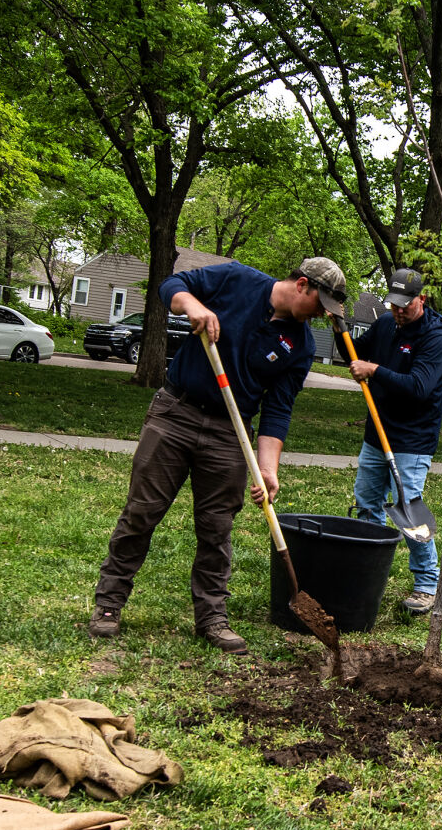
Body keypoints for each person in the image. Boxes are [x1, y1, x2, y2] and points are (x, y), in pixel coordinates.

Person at [89, 257, 347, 653]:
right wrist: (193, 305)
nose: (319, 315)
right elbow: (170, 285)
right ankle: (109, 603)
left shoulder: (301, 345)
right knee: (142, 512)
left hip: (231, 431)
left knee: (217, 529)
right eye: (319, 304)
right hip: (176, 412)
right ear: (302, 285)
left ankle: (211, 617)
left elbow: (278, 410)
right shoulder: (235, 279)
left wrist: (267, 468)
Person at [347, 267, 442, 616]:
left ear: (422, 298)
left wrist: (374, 371)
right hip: (377, 435)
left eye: (406, 304)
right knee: (367, 504)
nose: (399, 310)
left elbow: (419, 387)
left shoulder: (435, 337)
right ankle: (367, 570)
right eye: (394, 304)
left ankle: (426, 584)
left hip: (411, 440)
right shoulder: (385, 324)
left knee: (408, 511)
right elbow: (354, 352)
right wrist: (339, 328)